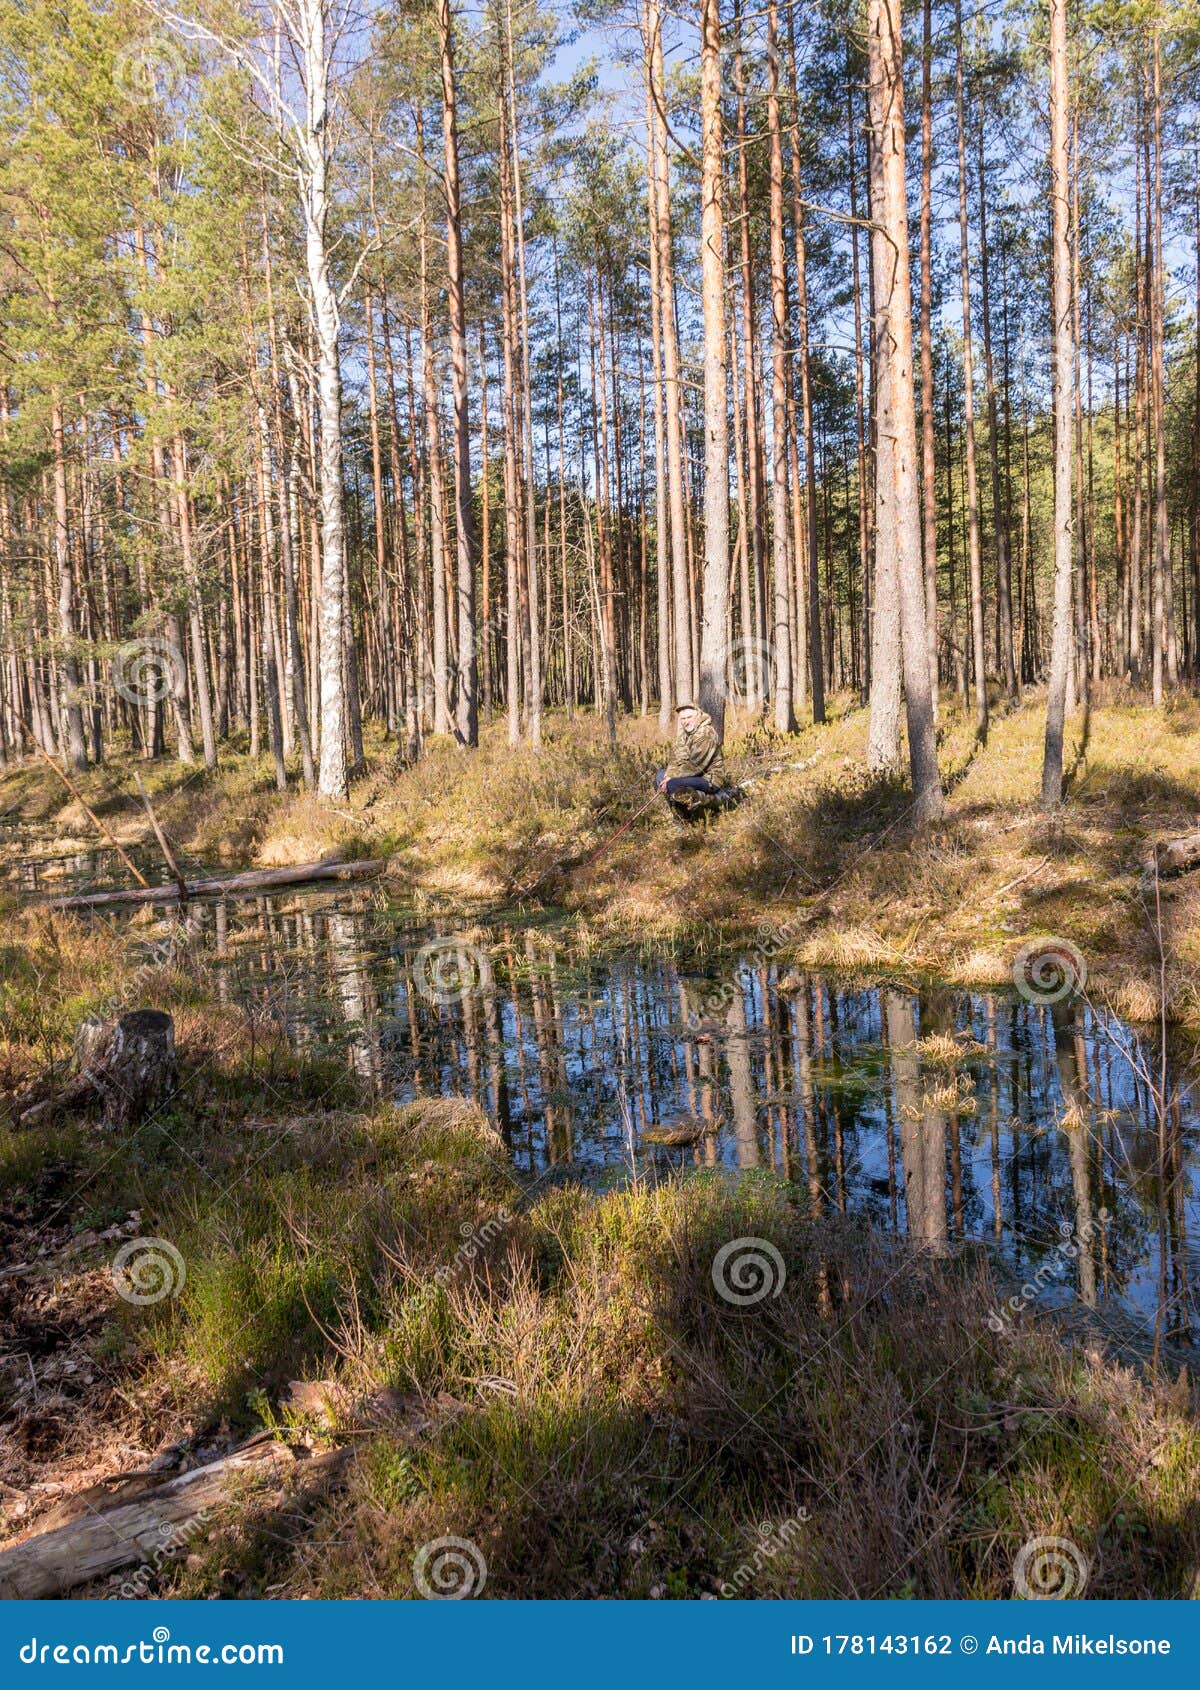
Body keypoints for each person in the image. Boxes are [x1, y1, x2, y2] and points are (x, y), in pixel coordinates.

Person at [654, 702, 732, 810]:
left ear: (698, 716)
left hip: (710, 780)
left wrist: (671, 779)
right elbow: (674, 760)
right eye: (683, 719)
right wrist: (668, 775)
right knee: (660, 775)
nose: (686, 721)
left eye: (689, 717)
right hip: (692, 776)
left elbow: (695, 765)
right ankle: (677, 812)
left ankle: (702, 805)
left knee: (672, 784)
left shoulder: (706, 733)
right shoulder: (683, 736)